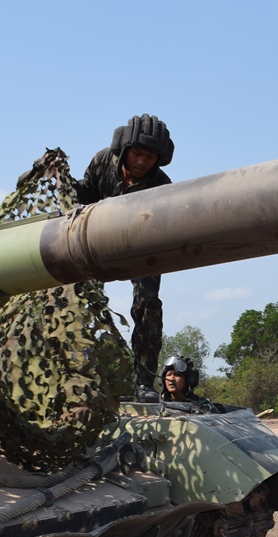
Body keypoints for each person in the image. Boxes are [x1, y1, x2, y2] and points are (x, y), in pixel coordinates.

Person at [74, 114, 175, 392]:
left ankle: (143, 383)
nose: (142, 162)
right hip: (96, 240)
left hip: (141, 248)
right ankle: (81, 377)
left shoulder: (163, 188)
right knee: (80, 301)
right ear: (125, 149)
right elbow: (85, 194)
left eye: (150, 156)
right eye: (137, 153)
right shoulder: (102, 162)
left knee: (148, 305)